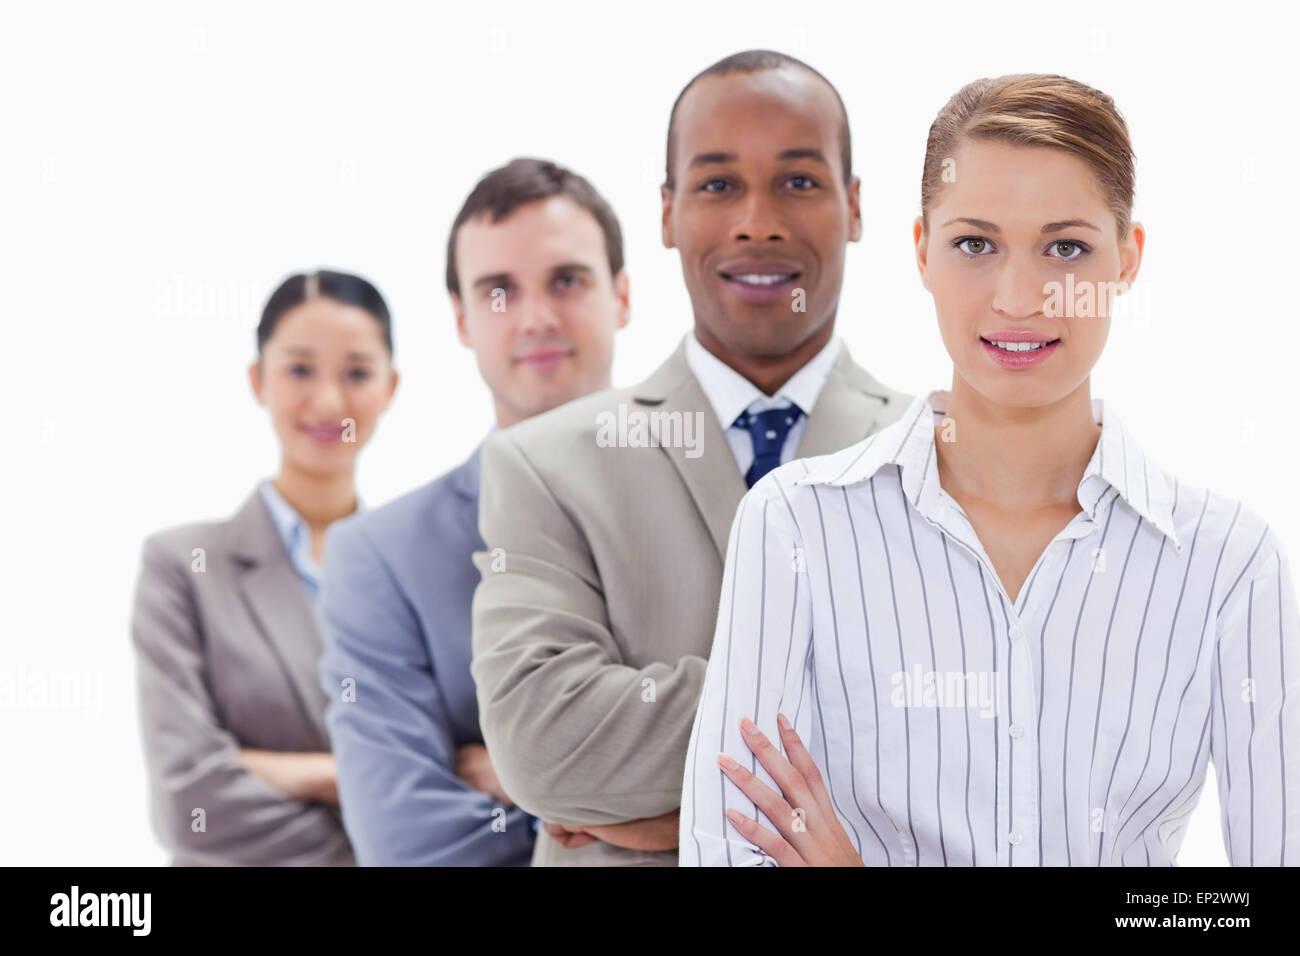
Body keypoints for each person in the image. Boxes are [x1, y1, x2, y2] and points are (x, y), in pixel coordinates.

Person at [680, 73, 1300, 867]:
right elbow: (724, 852)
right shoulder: (797, 525)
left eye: (1066, 248)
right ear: (922, 254)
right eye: (975, 244)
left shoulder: (1228, 564)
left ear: (1128, 259)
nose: (1018, 298)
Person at [471, 50, 911, 866]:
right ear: (667, 213)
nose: (757, 221)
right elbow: (540, 745)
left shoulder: (943, 453)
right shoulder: (544, 464)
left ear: (854, 206)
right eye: (716, 185)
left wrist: (686, 826)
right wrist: (863, 714)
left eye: (799, 181)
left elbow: (994, 748)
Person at [316, 158, 629, 865]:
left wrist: (525, 781)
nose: (536, 318)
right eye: (498, 292)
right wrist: (626, 821)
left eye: (568, 280)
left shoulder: (738, 493)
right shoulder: (379, 557)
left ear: (624, 296)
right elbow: (411, 845)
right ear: (461, 318)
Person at [131, 269, 398, 865]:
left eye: (356, 372)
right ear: (257, 380)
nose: (329, 400)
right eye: (299, 369)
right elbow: (188, 804)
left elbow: (485, 793)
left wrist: (276, 771)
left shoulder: (420, 567)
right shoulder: (183, 569)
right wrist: (368, 790)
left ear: (391, 387)